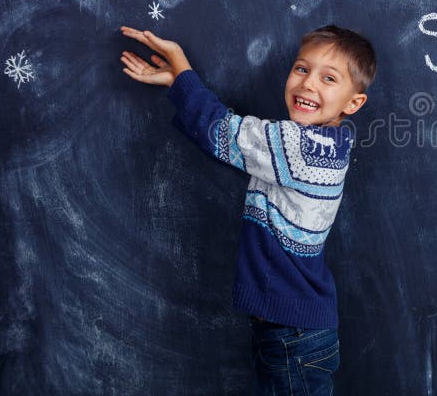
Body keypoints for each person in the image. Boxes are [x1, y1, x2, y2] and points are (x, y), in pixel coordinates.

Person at [119, 24, 376, 395]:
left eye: (329, 78)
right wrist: (178, 82)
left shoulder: (299, 149)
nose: (308, 84)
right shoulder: (328, 143)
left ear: (353, 103)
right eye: (302, 69)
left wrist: (182, 70)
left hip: (294, 334)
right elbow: (246, 142)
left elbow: (224, 132)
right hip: (293, 328)